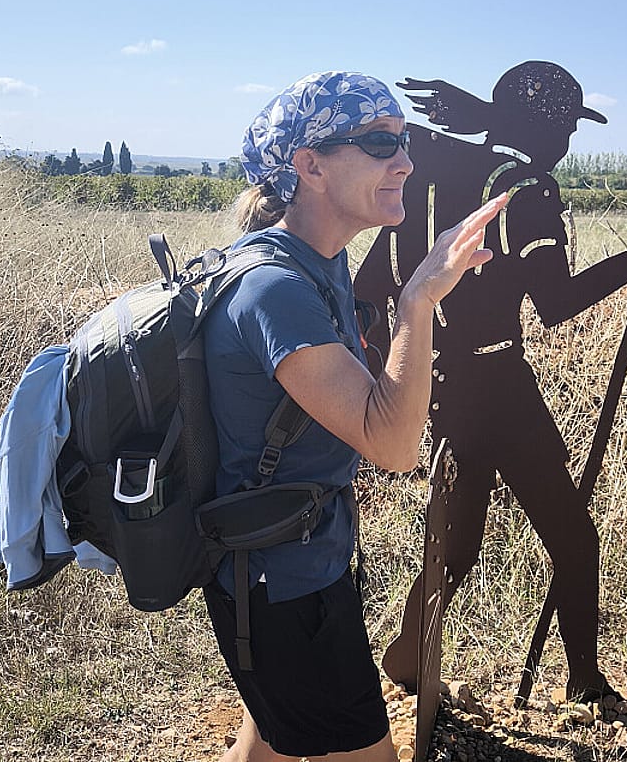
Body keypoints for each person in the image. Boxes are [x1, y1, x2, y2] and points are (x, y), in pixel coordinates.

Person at [200, 71, 508, 762]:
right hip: (285, 589)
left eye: (403, 140)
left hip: (283, 569)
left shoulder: (317, 263)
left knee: (268, 743)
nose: (404, 162)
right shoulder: (275, 289)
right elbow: (393, 445)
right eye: (377, 143)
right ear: (309, 166)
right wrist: (418, 302)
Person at [353, 62, 627, 702]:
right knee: (573, 539)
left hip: (437, 384)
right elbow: (557, 303)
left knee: (457, 545)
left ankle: (408, 653)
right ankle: (586, 684)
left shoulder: (434, 179)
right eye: (564, 128)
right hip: (500, 387)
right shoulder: (526, 191)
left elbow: (371, 285)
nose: (567, 142)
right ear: (542, 127)